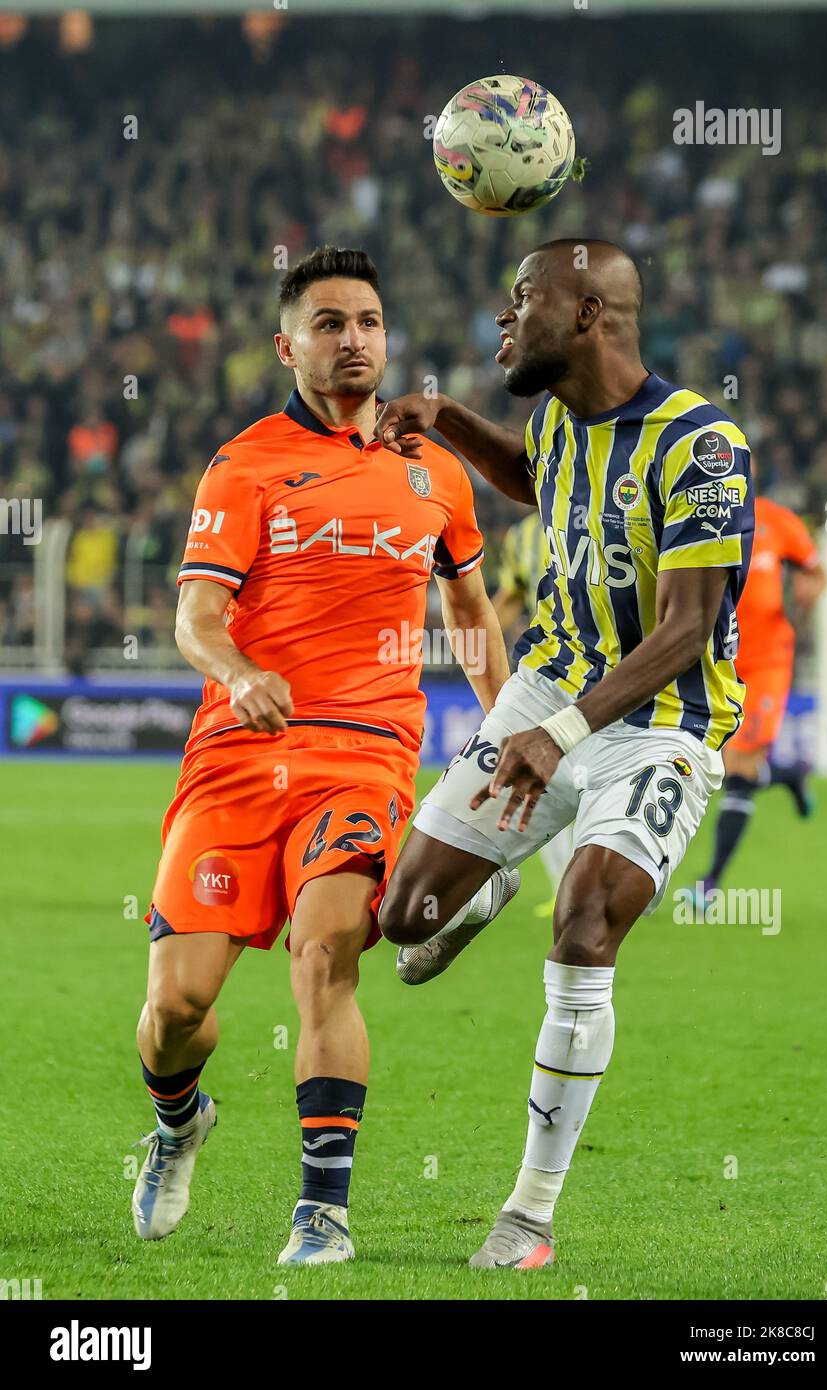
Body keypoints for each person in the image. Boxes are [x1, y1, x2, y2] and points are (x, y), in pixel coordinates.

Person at [374, 238, 754, 1267]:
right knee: (403, 920)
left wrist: (564, 733)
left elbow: (684, 626)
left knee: (584, 927)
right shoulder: (559, 419)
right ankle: (486, 886)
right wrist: (447, 418)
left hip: (658, 725)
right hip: (550, 687)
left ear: (588, 314)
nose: (503, 320)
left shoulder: (701, 445)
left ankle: (529, 1214)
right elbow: (537, 481)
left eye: (522, 300)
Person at [133, 246, 513, 1266]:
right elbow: (195, 617)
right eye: (331, 322)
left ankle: (323, 1212)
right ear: (287, 344)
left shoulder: (434, 468)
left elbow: (470, 615)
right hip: (239, 751)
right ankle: (177, 1122)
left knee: (324, 958)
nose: (355, 340)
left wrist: (505, 734)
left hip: (365, 751)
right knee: (176, 1008)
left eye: (370, 322)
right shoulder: (244, 462)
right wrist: (239, 668)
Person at [694, 491, 825, 892]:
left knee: (737, 770)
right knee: (720, 768)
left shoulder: (779, 520)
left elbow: (816, 571)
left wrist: (809, 590)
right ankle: (788, 775)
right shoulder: (697, 515)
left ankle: (710, 883)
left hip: (768, 662)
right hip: (715, 660)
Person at [493, 512, 573, 915]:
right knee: (544, 781)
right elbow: (509, 596)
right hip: (543, 675)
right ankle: (568, 887)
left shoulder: (530, 531)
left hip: (593, 674)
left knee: (569, 782)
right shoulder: (521, 534)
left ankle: (583, 883)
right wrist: (479, 637)